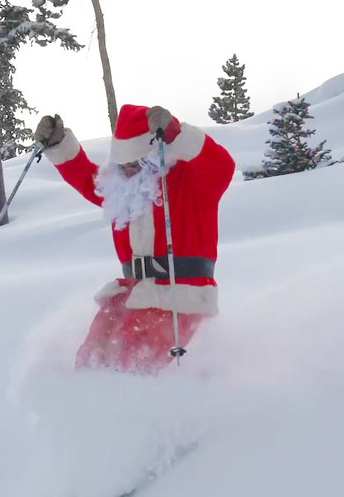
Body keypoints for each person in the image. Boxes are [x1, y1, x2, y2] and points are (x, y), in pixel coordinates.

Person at [34, 104, 236, 374]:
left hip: (179, 295)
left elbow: (222, 165)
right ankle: (85, 407)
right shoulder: (122, 190)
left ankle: (140, 411)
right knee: (92, 356)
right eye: (123, 166)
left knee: (132, 361)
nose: (129, 172)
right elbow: (86, 178)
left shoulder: (192, 182)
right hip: (132, 292)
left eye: (137, 164)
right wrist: (60, 145)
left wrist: (177, 133)